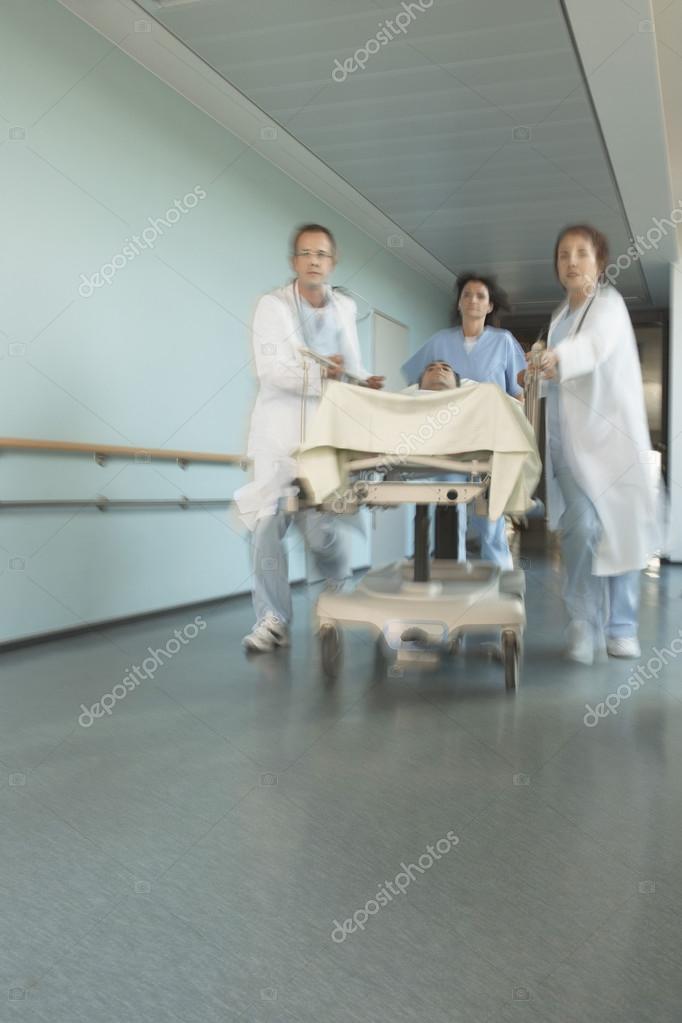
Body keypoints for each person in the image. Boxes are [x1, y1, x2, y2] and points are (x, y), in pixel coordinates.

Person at [236, 223, 384, 653]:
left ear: (332, 262)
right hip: (278, 437)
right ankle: (272, 619)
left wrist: (362, 381)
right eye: (305, 253)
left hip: (323, 436)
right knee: (267, 526)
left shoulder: (344, 308)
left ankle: (336, 591)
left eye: (321, 254)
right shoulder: (273, 307)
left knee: (321, 529)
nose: (313, 261)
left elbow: (350, 364)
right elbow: (271, 371)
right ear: (294, 262)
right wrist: (324, 374)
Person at [532, 223, 661, 664]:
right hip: (570, 445)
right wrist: (535, 373)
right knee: (583, 527)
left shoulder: (609, 304)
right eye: (563, 254)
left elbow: (593, 346)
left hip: (613, 443)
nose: (571, 261)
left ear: (600, 262)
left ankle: (621, 627)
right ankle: (582, 622)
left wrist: (560, 357)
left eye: (581, 253)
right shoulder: (556, 320)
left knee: (621, 529)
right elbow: (555, 380)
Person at [401, 274, 527, 569]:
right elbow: (417, 387)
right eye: (467, 295)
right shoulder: (440, 341)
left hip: (489, 439)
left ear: (490, 305)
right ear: (458, 303)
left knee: (491, 522)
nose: (473, 300)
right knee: (449, 512)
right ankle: (451, 577)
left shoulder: (503, 342)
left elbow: (517, 395)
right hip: (449, 442)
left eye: (480, 296)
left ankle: (500, 581)